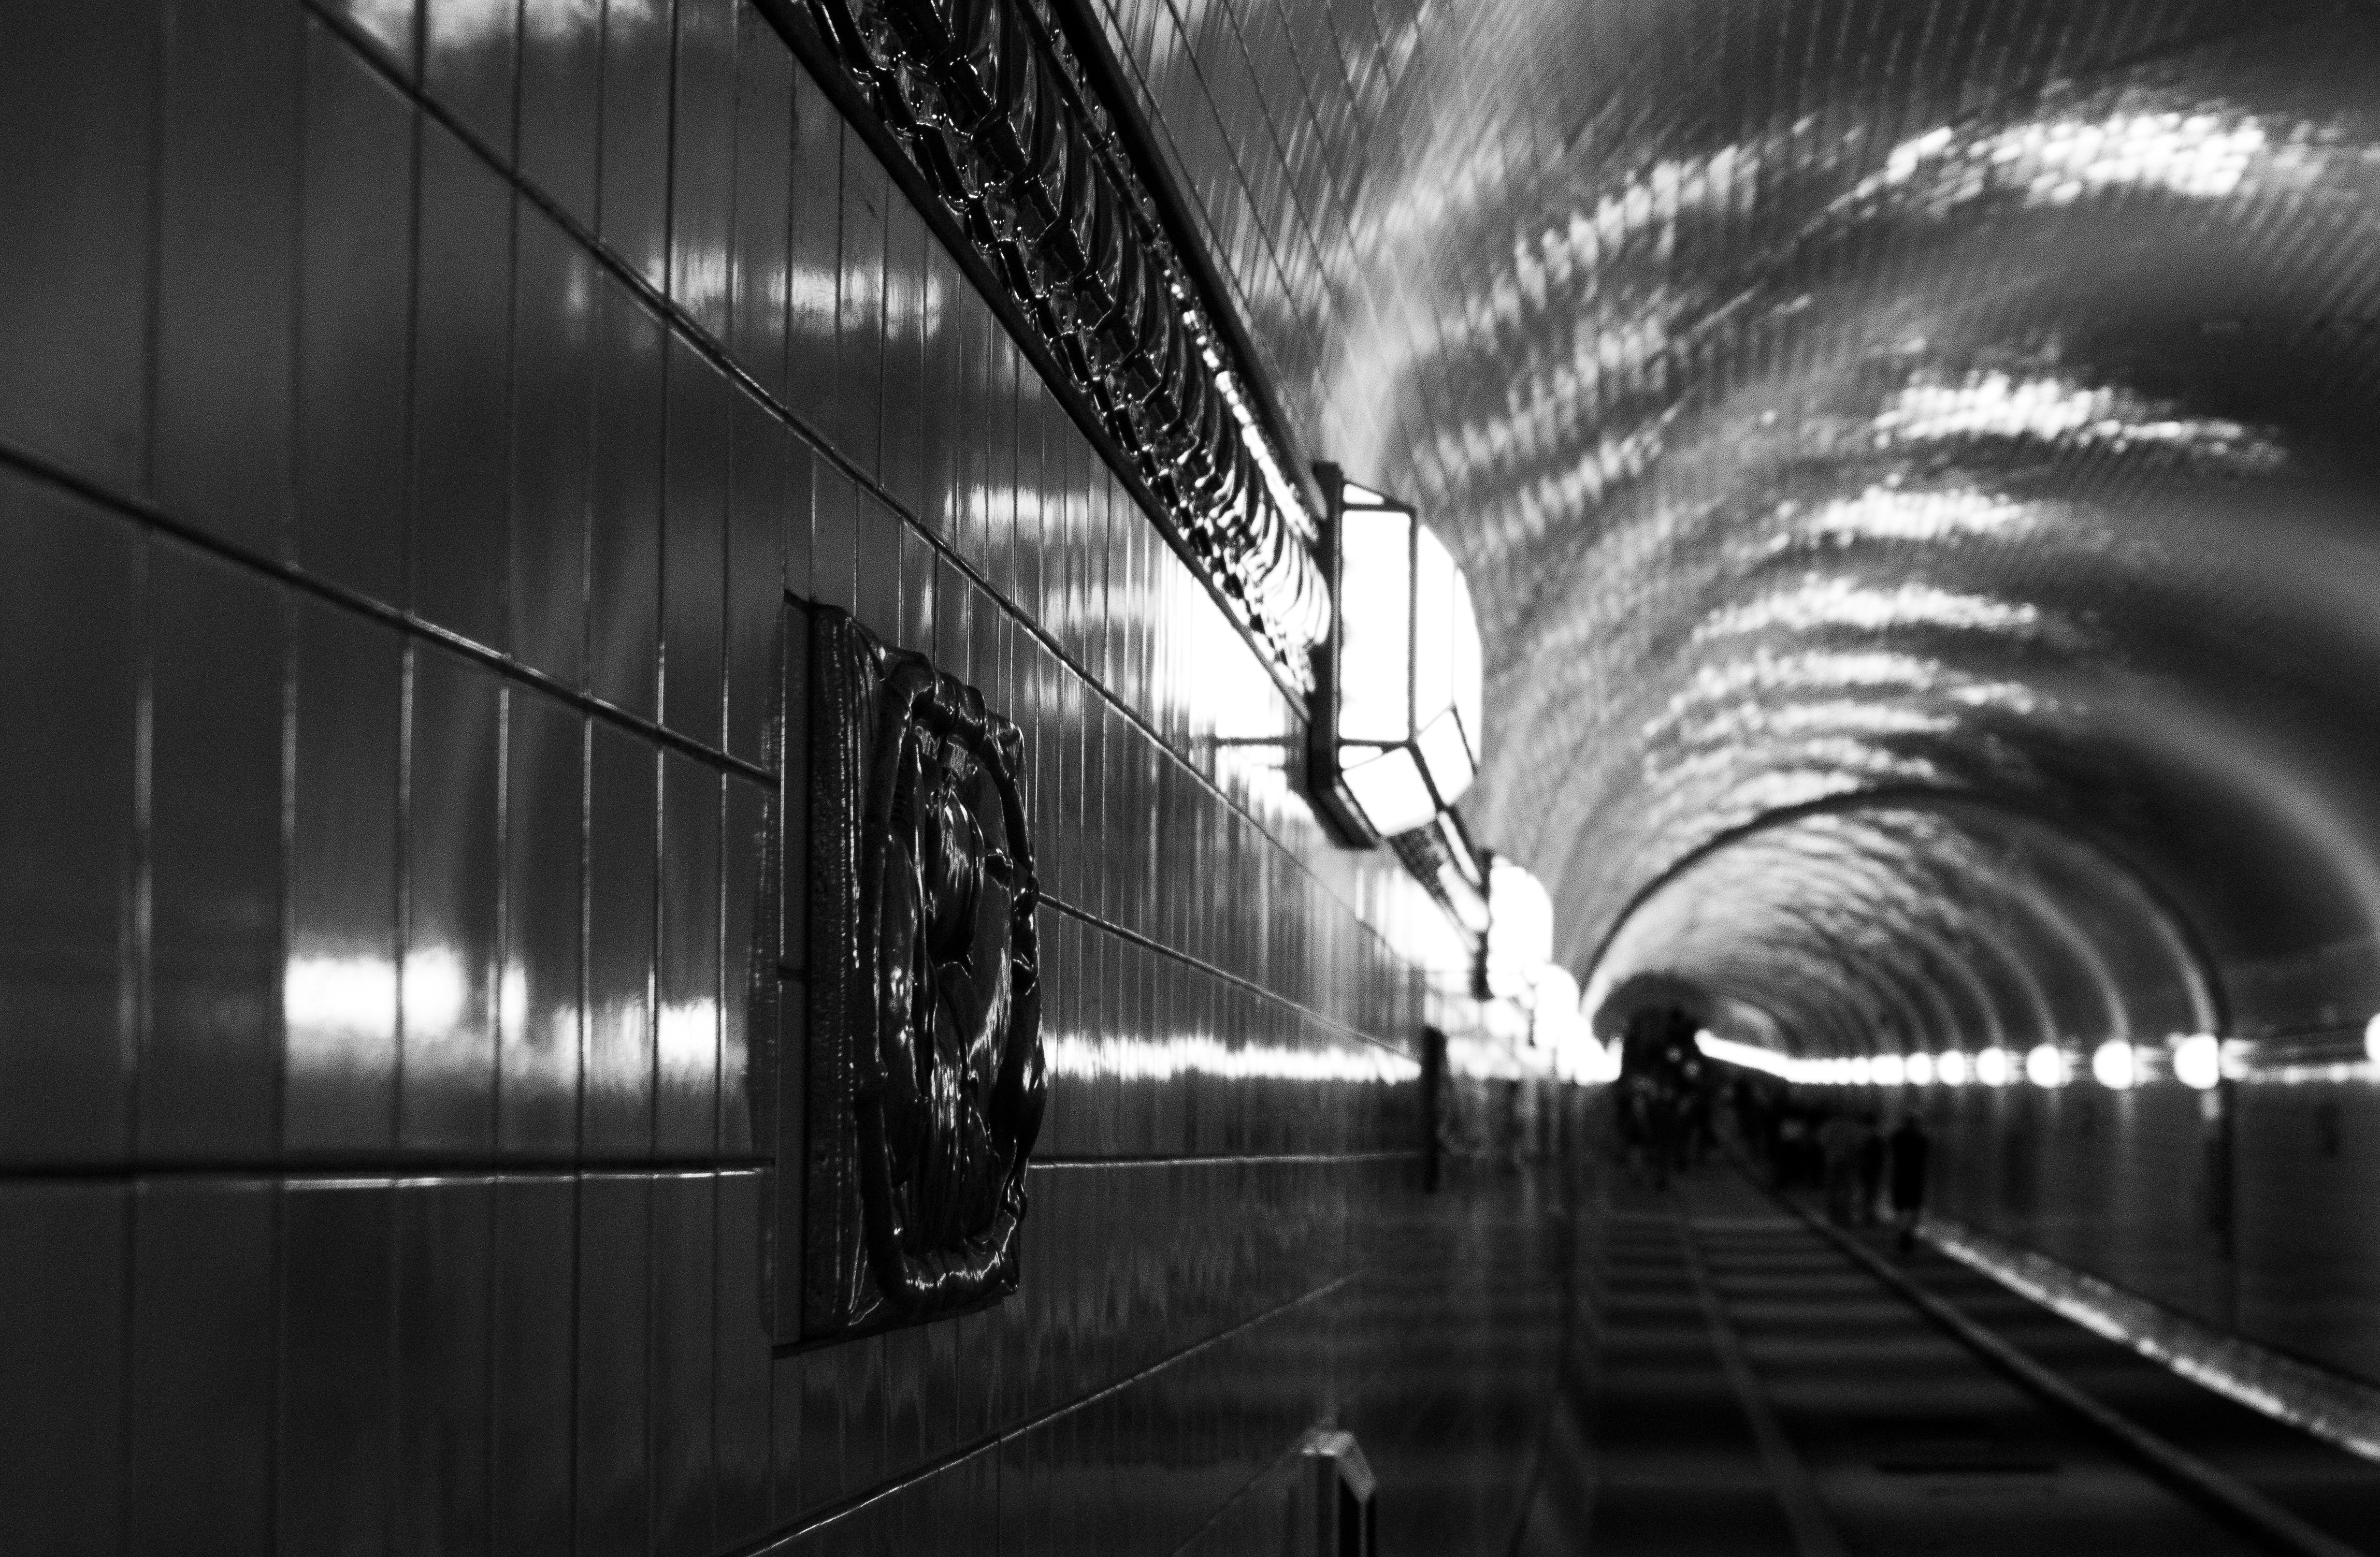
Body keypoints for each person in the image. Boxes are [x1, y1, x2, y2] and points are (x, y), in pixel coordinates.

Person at [1888, 1114, 1932, 1255]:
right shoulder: (1921, 1139)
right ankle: (1909, 1234)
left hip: (1900, 1175)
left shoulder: (1897, 1137)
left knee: (1900, 1207)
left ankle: (1903, 1233)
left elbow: (1891, 1152)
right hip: (1915, 1177)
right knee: (1913, 1207)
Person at [1819, 1108, 1864, 1225]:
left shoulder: (1829, 1126)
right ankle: (1845, 1214)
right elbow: (1858, 1143)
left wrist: (1830, 1149)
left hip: (1832, 1159)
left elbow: (1821, 1141)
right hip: (1847, 1161)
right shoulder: (1851, 1127)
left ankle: (1833, 1213)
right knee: (1847, 1188)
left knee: (1833, 1187)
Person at [1855, 1115, 1886, 1226]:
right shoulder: (1876, 1138)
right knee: (1871, 1192)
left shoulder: (1862, 1137)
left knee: (1866, 1191)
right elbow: (1880, 1156)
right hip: (1872, 1169)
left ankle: (1865, 1214)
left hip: (1865, 1168)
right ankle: (1868, 1214)